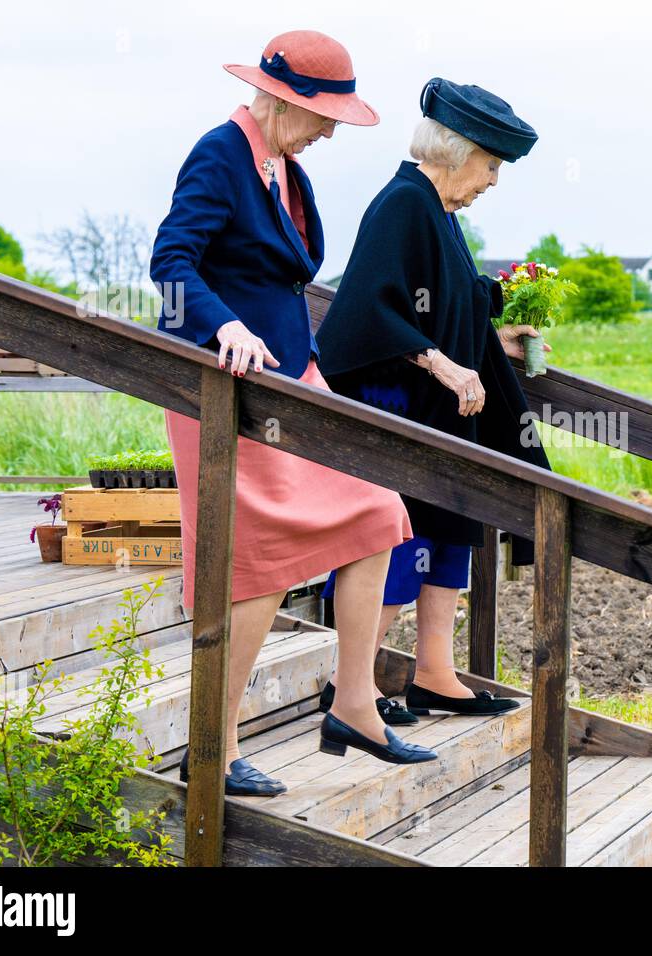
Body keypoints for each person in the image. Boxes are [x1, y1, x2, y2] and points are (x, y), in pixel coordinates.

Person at [149, 31, 438, 796]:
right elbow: (170, 265)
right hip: (225, 387)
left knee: (379, 514)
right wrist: (224, 325)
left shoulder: (286, 167)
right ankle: (212, 741)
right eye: (324, 115)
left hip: (291, 379)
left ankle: (353, 705)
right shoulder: (220, 154)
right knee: (258, 564)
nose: (332, 131)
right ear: (280, 100)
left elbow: (283, 277)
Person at [315, 78, 552, 721]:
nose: (494, 181)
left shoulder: (439, 212)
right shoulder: (402, 204)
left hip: (441, 407)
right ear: (457, 150)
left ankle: (434, 674)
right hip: (398, 404)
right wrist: (441, 361)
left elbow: (446, 302)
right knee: (402, 536)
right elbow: (368, 310)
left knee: (452, 527)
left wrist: (488, 338)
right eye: (492, 164)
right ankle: (348, 685)